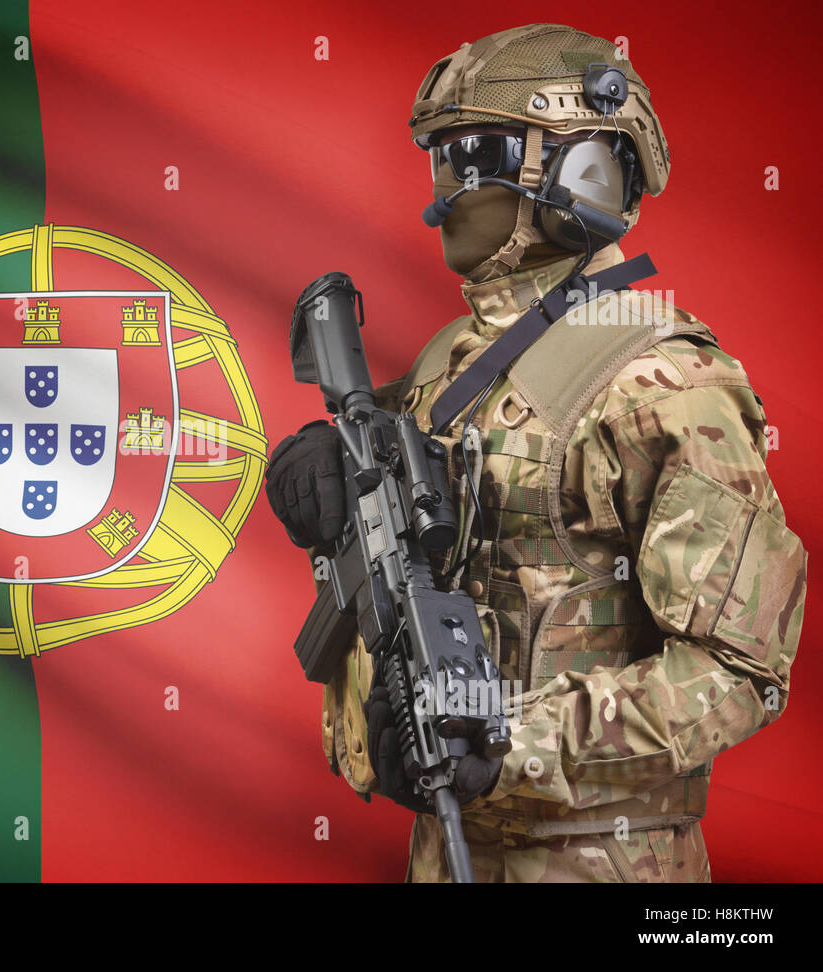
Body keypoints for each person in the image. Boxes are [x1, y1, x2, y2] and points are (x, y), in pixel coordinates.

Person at [265, 23, 807, 882]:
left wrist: (509, 740)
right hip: (446, 851)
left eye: (471, 151)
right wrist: (318, 474)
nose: (446, 183)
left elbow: (737, 670)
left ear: (574, 172)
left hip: (603, 864)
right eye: (441, 154)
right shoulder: (455, 357)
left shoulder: (664, 380)